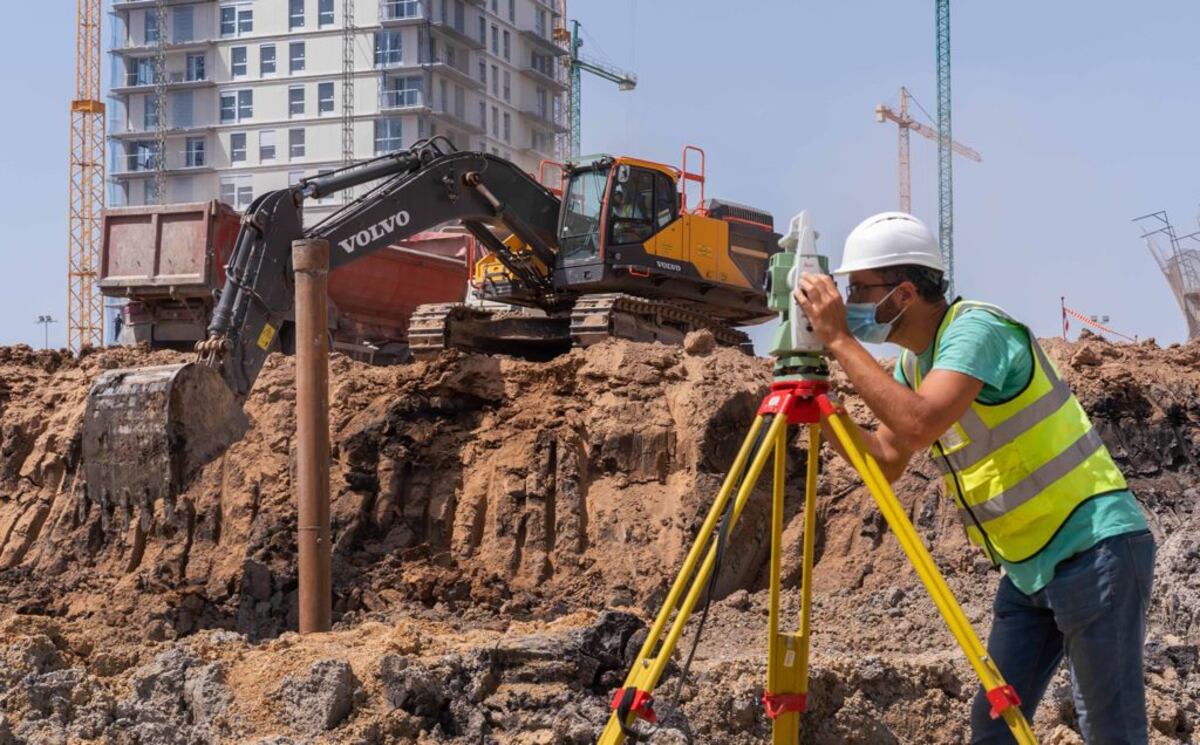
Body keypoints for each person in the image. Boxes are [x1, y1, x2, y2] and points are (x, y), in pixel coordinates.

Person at [793, 211, 1155, 744]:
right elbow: (887, 461)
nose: (849, 301)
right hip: (1028, 570)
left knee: (1109, 730)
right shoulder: (917, 366)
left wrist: (842, 342)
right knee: (993, 729)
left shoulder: (976, 329)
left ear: (905, 294)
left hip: (1094, 547)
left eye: (860, 288)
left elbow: (918, 424)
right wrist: (818, 404)